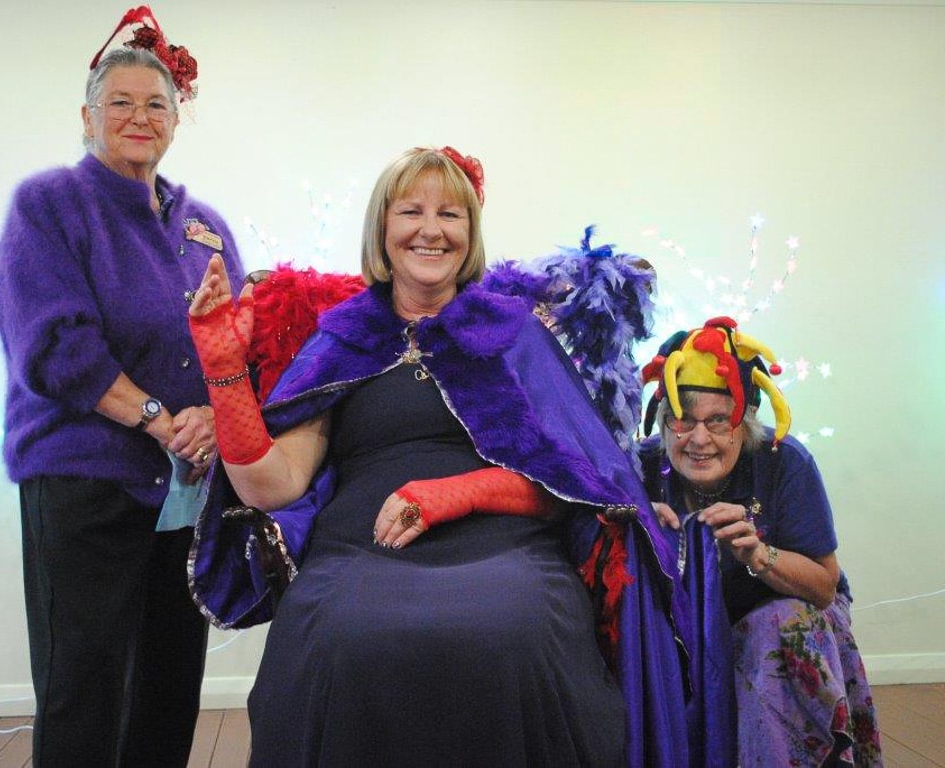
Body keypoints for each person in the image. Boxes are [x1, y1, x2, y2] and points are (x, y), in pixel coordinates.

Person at [188, 147, 696, 766]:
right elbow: (269, 487)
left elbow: (573, 485)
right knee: (335, 637)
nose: (431, 229)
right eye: (411, 211)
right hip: (359, 551)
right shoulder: (342, 335)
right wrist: (223, 367)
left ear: (470, 233)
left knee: (519, 634)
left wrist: (455, 493)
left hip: (507, 548)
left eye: (450, 214)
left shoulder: (513, 332)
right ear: (383, 228)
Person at [0, 7, 243, 766]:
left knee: (169, 680)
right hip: (85, 481)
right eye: (119, 101)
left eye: (156, 104)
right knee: (84, 684)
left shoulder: (204, 225)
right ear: (87, 117)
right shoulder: (49, 205)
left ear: (176, 122)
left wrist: (211, 416)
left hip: (185, 491)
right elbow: (54, 344)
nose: (139, 116)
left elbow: (239, 342)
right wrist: (160, 417)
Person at [639, 317, 883, 766]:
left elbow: (823, 586)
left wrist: (758, 554)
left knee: (780, 625)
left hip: (778, 608)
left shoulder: (785, 461)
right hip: (680, 620)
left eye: (718, 421)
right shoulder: (641, 468)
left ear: (745, 423)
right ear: (663, 421)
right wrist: (634, 527)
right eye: (682, 420)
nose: (698, 439)